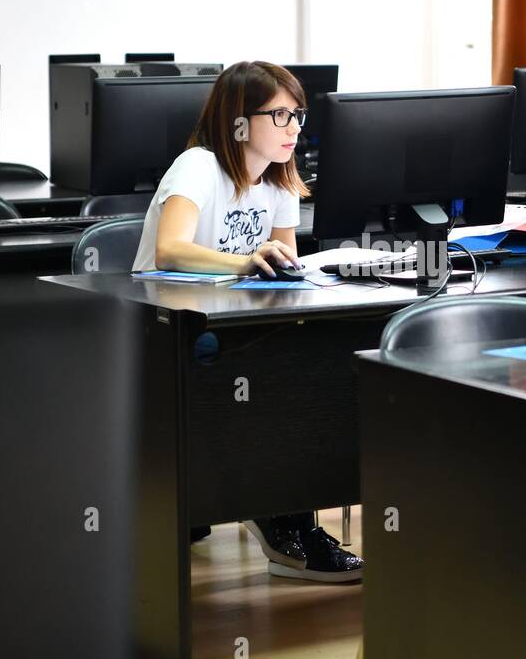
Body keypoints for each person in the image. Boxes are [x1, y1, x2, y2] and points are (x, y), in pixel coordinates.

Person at [133, 60, 363, 583]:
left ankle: (293, 518)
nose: (293, 128)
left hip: (239, 326)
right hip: (172, 330)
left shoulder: (279, 180)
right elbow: (170, 249)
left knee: (314, 358)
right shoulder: (198, 167)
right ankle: (277, 515)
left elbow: (285, 265)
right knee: (277, 372)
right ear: (239, 120)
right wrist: (242, 263)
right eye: (279, 115)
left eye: (298, 115)